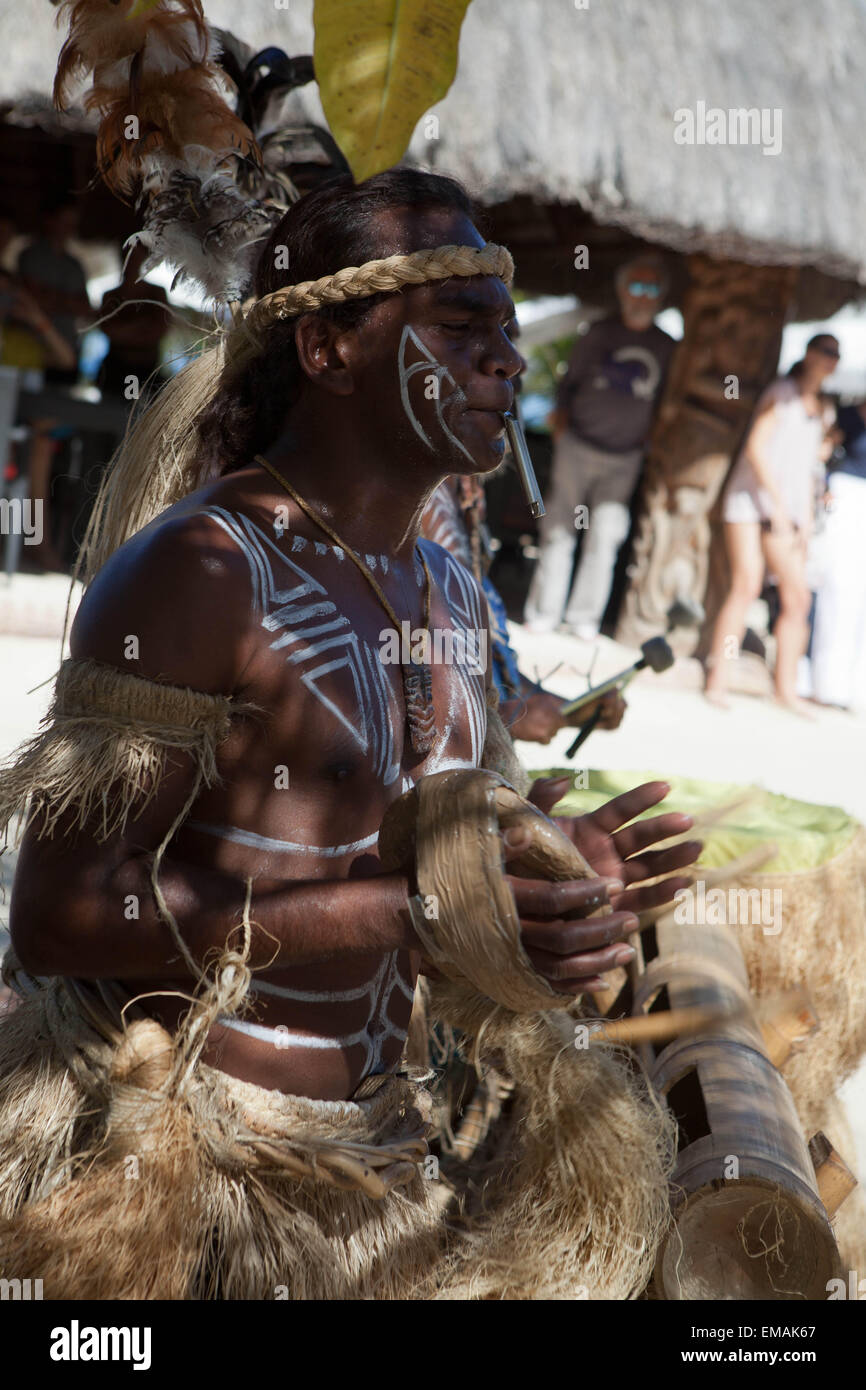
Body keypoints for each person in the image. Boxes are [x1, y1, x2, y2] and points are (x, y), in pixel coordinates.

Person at [0, 171, 698, 1299]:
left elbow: (434, 859)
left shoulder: (456, 596)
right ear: (327, 350)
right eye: (464, 330)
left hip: (374, 1167)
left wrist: (560, 885)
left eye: (509, 333)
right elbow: (59, 915)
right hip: (184, 1163)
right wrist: (406, 914)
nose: (508, 363)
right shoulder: (207, 573)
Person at [523, 253, 675, 639]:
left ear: (662, 296)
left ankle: (583, 620)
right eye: (636, 287)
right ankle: (543, 613)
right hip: (578, 446)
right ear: (623, 291)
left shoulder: (666, 346)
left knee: (605, 535)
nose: (643, 296)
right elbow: (567, 384)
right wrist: (561, 430)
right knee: (560, 528)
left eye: (651, 288)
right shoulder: (599, 333)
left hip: (625, 456)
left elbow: (666, 402)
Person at [705, 333, 839, 712]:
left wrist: (806, 524)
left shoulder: (823, 408)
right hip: (752, 501)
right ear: (810, 354)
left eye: (835, 354)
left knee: (798, 598)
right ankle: (719, 680)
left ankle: (787, 689)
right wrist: (777, 507)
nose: (830, 359)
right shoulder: (782, 393)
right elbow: (756, 449)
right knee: (745, 586)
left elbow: (812, 471)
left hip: (791, 512)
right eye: (825, 351)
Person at [810, 398, 866, 711]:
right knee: (838, 591)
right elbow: (823, 451)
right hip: (844, 505)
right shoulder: (845, 415)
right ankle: (827, 684)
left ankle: (857, 688)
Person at [97, 242, 171, 400]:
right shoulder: (111, 295)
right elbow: (108, 329)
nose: (132, 261)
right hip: (115, 367)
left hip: (146, 367)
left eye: (136, 256)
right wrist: (139, 327)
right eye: (129, 256)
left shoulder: (156, 293)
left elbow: (160, 329)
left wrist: (125, 330)